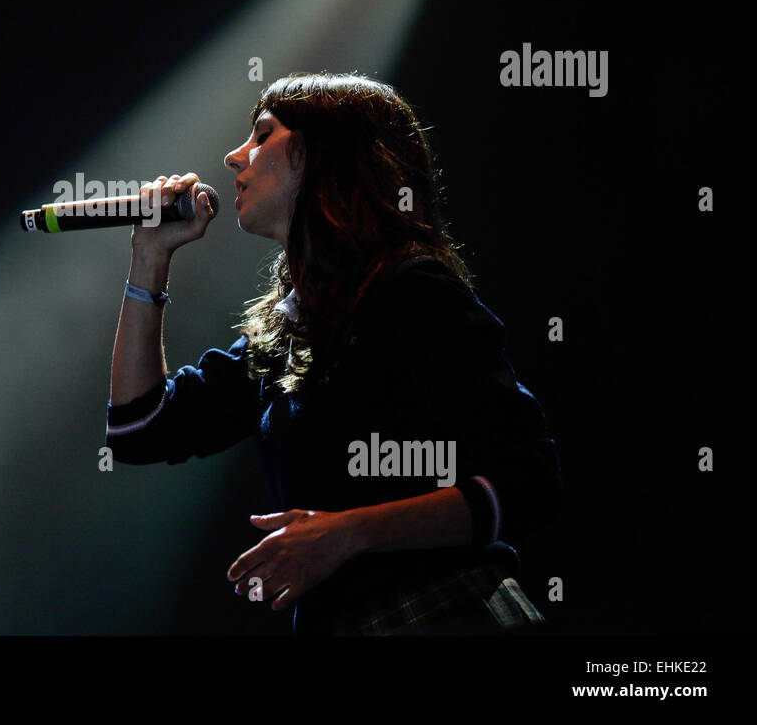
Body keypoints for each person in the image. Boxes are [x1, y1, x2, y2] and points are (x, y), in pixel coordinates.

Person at [105, 72, 561, 635]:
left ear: (323, 156)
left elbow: (530, 481)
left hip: (444, 612)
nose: (232, 156)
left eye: (262, 135)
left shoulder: (410, 291)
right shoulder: (290, 330)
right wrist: (148, 259)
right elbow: (138, 430)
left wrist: (350, 532)